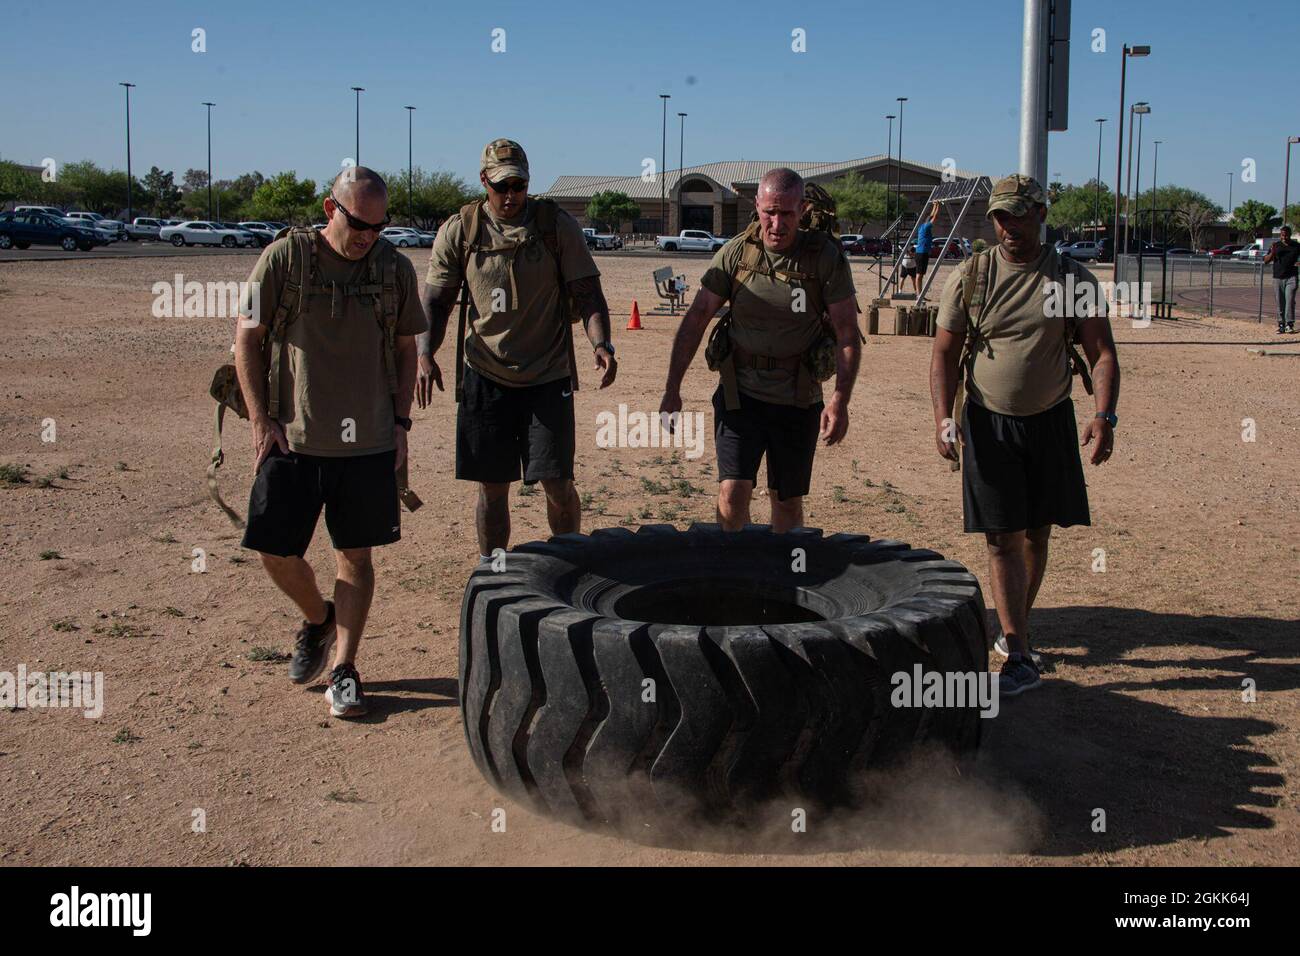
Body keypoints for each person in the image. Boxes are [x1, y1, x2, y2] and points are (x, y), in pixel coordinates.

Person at [235, 167, 428, 718]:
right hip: (293, 438)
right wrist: (258, 419)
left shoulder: (394, 268)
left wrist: (399, 424)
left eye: (379, 224)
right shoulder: (282, 259)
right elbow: (245, 336)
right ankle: (318, 619)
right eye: (359, 222)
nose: (369, 234)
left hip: (366, 441)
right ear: (330, 209)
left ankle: (344, 668)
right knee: (274, 550)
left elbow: (406, 348)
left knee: (356, 556)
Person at [929, 174, 1121, 696]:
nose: (1010, 225)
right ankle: (1017, 652)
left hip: (1051, 420)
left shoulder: (1070, 280)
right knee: (1002, 539)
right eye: (1001, 216)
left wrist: (1104, 416)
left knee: (1038, 533)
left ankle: (1019, 625)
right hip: (988, 424)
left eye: (1020, 214)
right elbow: (944, 353)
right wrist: (943, 417)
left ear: (1041, 214)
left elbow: (1102, 353)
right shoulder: (973, 276)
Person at [416, 139, 616, 559]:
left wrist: (601, 342)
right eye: (502, 186)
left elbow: (587, 293)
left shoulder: (555, 226)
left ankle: (569, 562)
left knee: (558, 484)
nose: (510, 196)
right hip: (485, 375)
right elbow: (436, 301)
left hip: (547, 376)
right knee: (492, 489)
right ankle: (495, 573)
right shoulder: (462, 229)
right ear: (484, 180)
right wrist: (424, 353)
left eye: (519, 186)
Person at [659, 168, 861, 532]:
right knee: (732, 494)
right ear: (757, 206)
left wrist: (839, 400)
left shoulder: (823, 258)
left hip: (797, 399)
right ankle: (737, 576)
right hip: (741, 396)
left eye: (786, 213)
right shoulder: (737, 252)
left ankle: (782, 581)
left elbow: (848, 333)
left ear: (802, 209)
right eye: (769, 211)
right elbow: (697, 317)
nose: (777, 223)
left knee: (785, 501)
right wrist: (672, 388)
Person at [1263, 225, 1299, 333]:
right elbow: (1266, 260)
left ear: (1290, 235)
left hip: (1291, 277)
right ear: (1280, 235)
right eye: (1282, 235)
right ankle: (1281, 324)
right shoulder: (1275, 246)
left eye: (1286, 235)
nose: (1284, 237)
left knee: (1290, 300)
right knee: (1280, 302)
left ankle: (1289, 324)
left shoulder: (1296, 246)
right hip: (1278, 277)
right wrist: (1273, 253)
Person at [911, 201, 940, 294]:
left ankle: (919, 293)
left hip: (922, 253)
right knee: (919, 275)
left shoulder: (923, 226)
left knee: (921, 275)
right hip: (921, 253)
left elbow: (931, 216)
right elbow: (935, 217)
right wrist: (938, 206)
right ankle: (918, 294)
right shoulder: (926, 227)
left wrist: (935, 205)